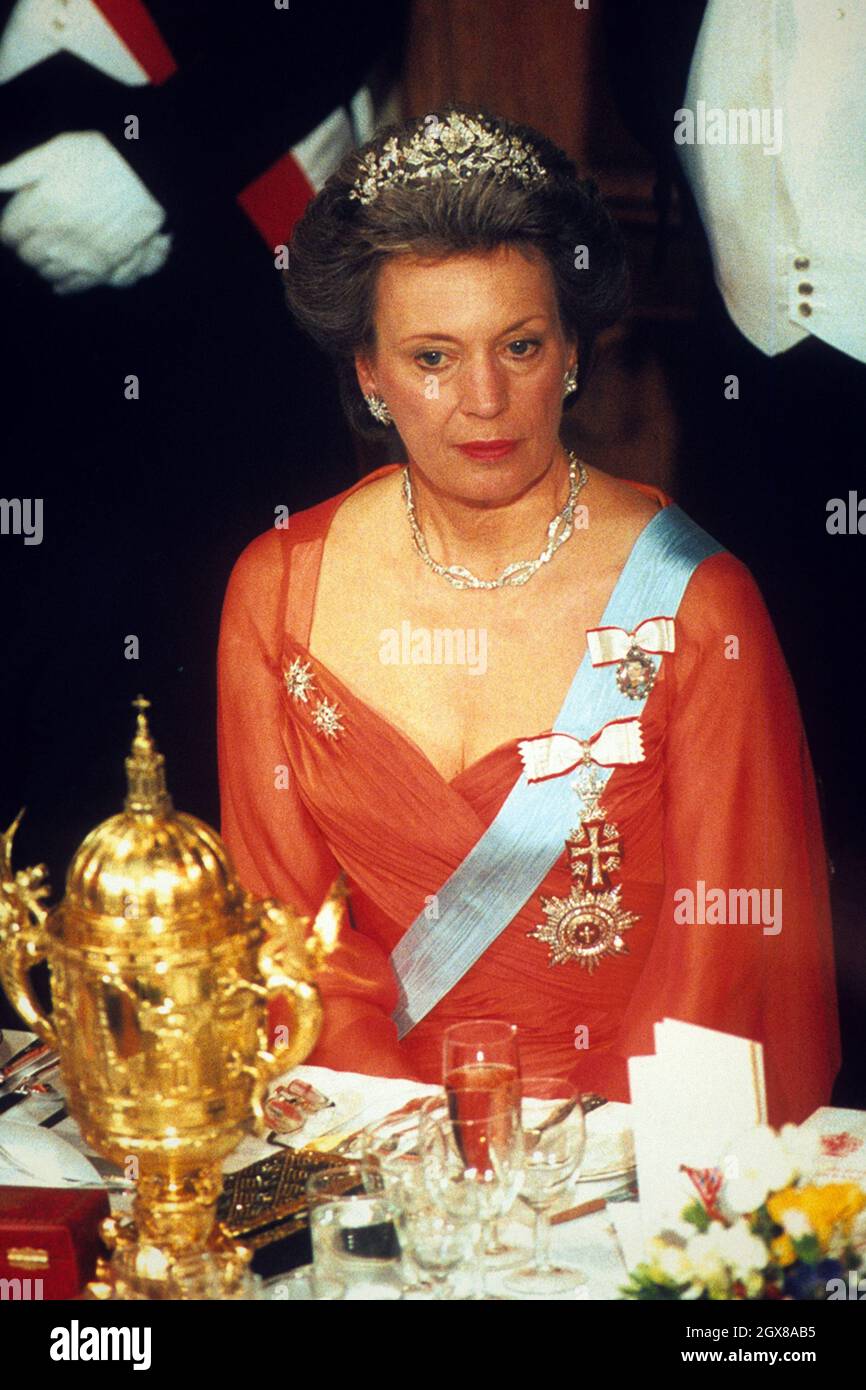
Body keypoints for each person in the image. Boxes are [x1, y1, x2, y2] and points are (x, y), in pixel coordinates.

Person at [216, 107, 840, 1126]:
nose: (482, 397)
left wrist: (571, 1179)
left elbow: (718, 967)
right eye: (429, 357)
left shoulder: (695, 601)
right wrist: (410, 1149)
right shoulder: (276, 588)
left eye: (518, 344)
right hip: (364, 1142)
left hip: (623, 1159)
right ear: (368, 374)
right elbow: (285, 938)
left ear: (573, 356)